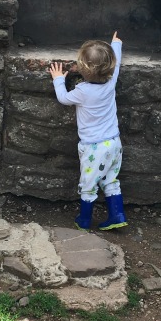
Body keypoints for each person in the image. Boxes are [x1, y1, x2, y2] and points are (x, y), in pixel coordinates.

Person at [49, 31, 128, 231]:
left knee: (88, 184)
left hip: (94, 148)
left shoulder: (82, 92)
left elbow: (63, 98)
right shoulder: (111, 81)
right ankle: (117, 215)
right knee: (110, 180)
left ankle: (84, 220)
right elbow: (117, 63)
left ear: (82, 68)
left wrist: (58, 79)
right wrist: (116, 44)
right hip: (114, 143)